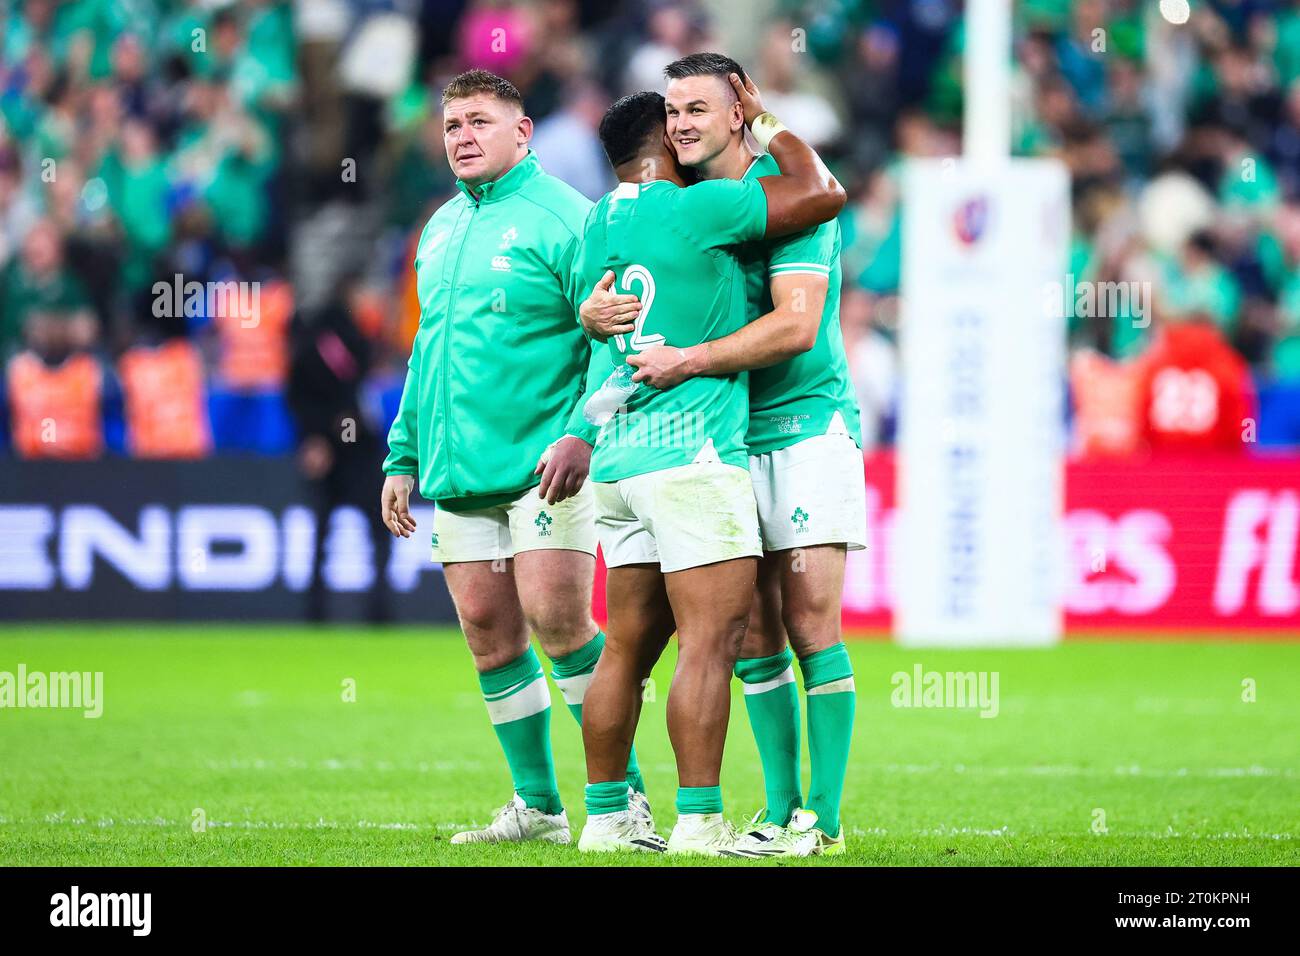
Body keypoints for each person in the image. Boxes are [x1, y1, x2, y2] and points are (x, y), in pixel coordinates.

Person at [579, 52, 864, 855]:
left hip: (802, 426)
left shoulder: (790, 207)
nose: (682, 123)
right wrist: (594, 312)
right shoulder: (707, 207)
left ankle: (824, 822)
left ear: (740, 110)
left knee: (810, 622)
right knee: (752, 636)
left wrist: (687, 362)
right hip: (727, 440)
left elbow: (795, 328)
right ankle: (776, 811)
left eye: (699, 108)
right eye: (672, 112)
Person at [379, 69, 646, 846]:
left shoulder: (569, 217)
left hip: (545, 463)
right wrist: (402, 453)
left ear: (522, 133)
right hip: (461, 473)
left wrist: (582, 434)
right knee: (490, 637)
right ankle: (538, 806)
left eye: (480, 122)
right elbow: (429, 353)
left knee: (560, 622)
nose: (462, 136)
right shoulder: (438, 229)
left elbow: (616, 338)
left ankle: (623, 798)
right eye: (452, 124)